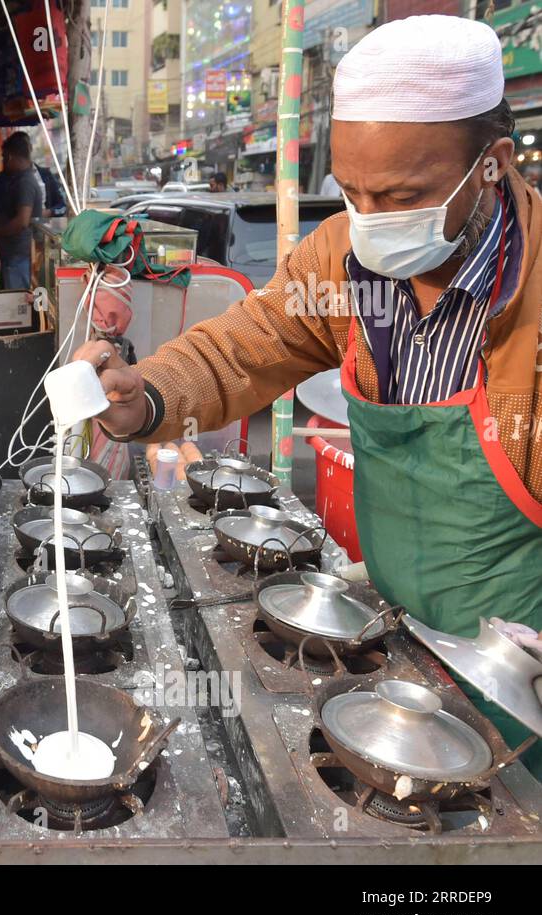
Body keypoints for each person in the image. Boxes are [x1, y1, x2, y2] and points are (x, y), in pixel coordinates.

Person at [73, 16, 542, 777]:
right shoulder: (344, 265)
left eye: (402, 194)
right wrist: (148, 393)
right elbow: (245, 347)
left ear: (491, 164)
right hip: (397, 652)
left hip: (519, 688)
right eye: (354, 192)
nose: (374, 220)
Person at [0, 131, 43, 290]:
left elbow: (22, 221)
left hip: (19, 254)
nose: (3, 161)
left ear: (10, 156)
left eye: (3, 157)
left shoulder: (25, 182)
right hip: (13, 254)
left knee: (17, 304)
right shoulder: (14, 179)